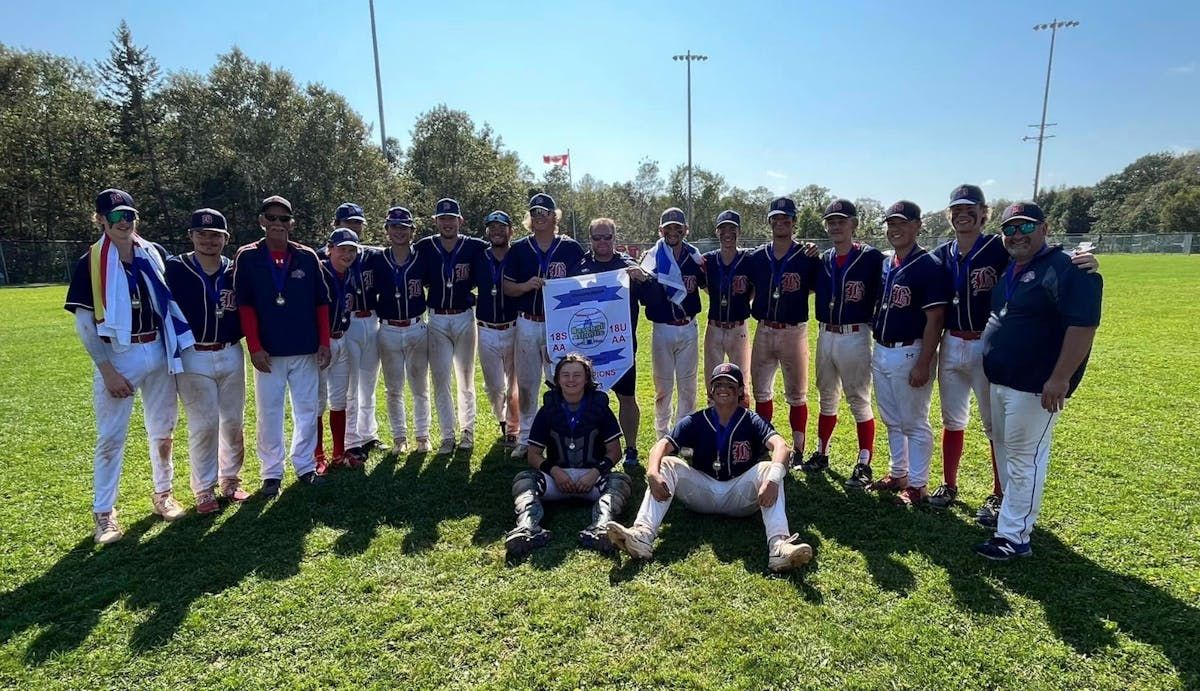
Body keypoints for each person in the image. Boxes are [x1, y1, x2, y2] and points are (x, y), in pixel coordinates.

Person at [930, 185, 1100, 523]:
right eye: (956, 209)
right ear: (948, 214)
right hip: (952, 341)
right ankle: (949, 484)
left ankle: (999, 494)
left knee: (995, 427)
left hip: (984, 343)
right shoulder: (940, 253)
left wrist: (1085, 261)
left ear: (983, 213)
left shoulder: (998, 248)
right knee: (953, 419)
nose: (963, 214)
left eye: (971, 208)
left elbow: (1043, 258)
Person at [65, 188, 194, 544]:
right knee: (111, 437)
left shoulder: (153, 254)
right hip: (119, 355)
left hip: (157, 347)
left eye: (130, 216)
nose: (125, 223)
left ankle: (163, 494)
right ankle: (104, 513)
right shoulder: (89, 262)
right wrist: (107, 370)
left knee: (164, 430)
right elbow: (84, 324)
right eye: (117, 217)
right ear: (101, 220)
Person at [975, 202, 1102, 560]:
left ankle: (1015, 538)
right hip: (1001, 380)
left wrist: (1060, 378)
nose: (1017, 235)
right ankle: (1009, 519)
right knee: (1005, 452)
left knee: (1024, 459)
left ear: (1044, 229)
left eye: (1025, 227)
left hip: (1034, 385)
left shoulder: (1068, 267)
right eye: (1010, 229)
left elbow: (1083, 326)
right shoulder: (1012, 268)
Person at [606, 363, 813, 573]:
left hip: (739, 493)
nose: (723, 388)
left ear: (741, 390)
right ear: (710, 391)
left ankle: (779, 547)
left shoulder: (751, 419)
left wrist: (772, 481)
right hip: (702, 491)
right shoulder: (696, 420)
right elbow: (661, 446)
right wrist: (651, 472)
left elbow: (781, 447)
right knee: (666, 463)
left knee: (770, 469)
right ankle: (642, 535)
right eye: (718, 384)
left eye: (730, 384)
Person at [233, 195, 330, 497]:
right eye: (271, 218)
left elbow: (321, 303)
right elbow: (245, 306)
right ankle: (271, 473)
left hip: (304, 349)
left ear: (292, 223)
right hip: (269, 353)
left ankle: (304, 466)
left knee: (307, 409)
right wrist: (254, 346)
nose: (278, 224)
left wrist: (324, 342)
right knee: (269, 413)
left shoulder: (306, 256)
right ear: (262, 220)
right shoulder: (248, 257)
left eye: (283, 219)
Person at [504, 353, 633, 558]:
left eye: (577, 375)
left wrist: (594, 473)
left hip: (592, 478)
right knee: (525, 480)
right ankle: (527, 527)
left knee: (620, 482)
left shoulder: (599, 407)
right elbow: (533, 455)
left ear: (586, 379)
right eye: (565, 375)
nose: (571, 380)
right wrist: (555, 472)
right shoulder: (548, 409)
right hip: (558, 478)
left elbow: (614, 451)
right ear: (557, 379)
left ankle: (601, 528)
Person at [165, 208, 249, 514]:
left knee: (233, 421)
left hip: (229, 349)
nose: (209, 240)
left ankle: (231, 480)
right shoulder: (175, 268)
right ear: (191, 236)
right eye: (202, 234)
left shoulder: (234, 269)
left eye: (216, 235)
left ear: (225, 238)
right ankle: (203, 489)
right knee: (204, 424)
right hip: (193, 352)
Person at [800, 199, 883, 491]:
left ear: (854, 224)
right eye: (831, 221)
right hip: (826, 333)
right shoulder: (822, 259)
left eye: (841, 221)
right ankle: (822, 454)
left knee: (859, 400)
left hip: (855, 334)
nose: (836, 226)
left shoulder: (871, 258)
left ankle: (864, 463)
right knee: (826, 397)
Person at [868, 200, 947, 506]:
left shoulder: (928, 266)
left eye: (902, 223)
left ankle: (917, 484)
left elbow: (936, 318)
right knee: (891, 419)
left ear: (917, 225)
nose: (895, 229)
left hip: (910, 350)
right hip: (883, 349)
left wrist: (924, 362)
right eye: (891, 224)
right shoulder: (889, 263)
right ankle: (898, 473)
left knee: (914, 422)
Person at [503, 193, 586, 459]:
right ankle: (526, 438)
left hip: (559, 325)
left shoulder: (570, 248)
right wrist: (526, 285)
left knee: (562, 380)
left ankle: (563, 433)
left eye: (545, 211)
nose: (540, 216)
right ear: (529, 217)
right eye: (535, 212)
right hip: (528, 321)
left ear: (554, 216)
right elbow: (506, 286)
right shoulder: (519, 249)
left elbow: (586, 283)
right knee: (527, 383)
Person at [745, 197, 819, 459]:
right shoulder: (756, 257)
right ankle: (766, 442)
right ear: (769, 221)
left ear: (794, 221)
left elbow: (813, 287)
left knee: (797, 394)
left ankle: (798, 448)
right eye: (776, 218)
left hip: (793, 330)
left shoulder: (807, 256)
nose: (781, 222)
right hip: (764, 328)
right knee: (761, 391)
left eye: (786, 218)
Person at [414, 198, 487, 455]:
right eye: (442, 218)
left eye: (452, 218)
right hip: (436, 318)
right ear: (436, 221)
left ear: (460, 221)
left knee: (466, 377)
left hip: (464, 316)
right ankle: (447, 435)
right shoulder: (425, 246)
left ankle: (467, 431)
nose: (447, 223)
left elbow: (502, 248)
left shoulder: (475, 246)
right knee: (441, 378)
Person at [578, 217, 652, 467]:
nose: (602, 242)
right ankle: (590, 447)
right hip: (587, 347)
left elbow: (653, 300)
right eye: (596, 238)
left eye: (607, 237)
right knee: (587, 398)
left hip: (620, 346)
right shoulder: (580, 266)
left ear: (614, 238)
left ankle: (630, 448)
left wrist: (643, 278)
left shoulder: (627, 266)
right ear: (590, 239)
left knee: (627, 397)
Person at [365, 206, 432, 453]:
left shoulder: (422, 258)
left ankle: (423, 436)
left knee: (420, 386)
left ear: (412, 231)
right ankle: (399, 438)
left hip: (416, 326)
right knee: (393, 388)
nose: (399, 231)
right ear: (386, 230)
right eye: (394, 226)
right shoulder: (377, 259)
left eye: (404, 227)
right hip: (389, 329)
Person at [639, 207, 706, 439]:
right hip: (663, 328)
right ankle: (661, 434)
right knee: (662, 387)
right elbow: (643, 295)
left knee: (688, 386)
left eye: (678, 228)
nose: (673, 232)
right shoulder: (650, 258)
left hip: (688, 326)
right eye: (668, 228)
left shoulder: (696, 258)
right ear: (661, 230)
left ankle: (683, 434)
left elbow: (709, 286)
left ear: (685, 230)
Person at [330, 202, 386, 461]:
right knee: (351, 384)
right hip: (348, 322)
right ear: (337, 225)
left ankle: (368, 433)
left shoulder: (372, 254)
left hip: (371, 319)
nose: (353, 227)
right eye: (348, 222)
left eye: (357, 223)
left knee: (369, 382)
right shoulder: (329, 255)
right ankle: (352, 441)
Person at [315, 228, 361, 473]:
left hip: (341, 337)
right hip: (321, 343)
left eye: (352, 249)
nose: (347, 254)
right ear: (329, 248)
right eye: (342, 248)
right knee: (318, 400)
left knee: (339, 399)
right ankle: (318, 455)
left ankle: (339, 453)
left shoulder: (350, 273)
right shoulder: (319, 271)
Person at [474, 210, 521, 448]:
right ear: (487, 231)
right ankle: (501, 418)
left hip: (514, 325)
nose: (497, 231)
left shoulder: (518, 255)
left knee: (514, 383)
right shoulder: (479, 257)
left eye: (502, 227)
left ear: (510, 230)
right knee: (494, 386)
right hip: (486, 328)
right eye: (492, 227)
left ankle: (513, 429)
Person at [700, 209, 755, 405]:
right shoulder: (708, 260)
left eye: (732, 228)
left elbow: (754, 288)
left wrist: (741, 300)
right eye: (723, 228)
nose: (727, 233)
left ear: (739, 231)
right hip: (714, 326)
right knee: (711, 382)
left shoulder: (749, 260)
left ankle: (741, 426)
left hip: (738, 327)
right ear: (717, 232)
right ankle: (714, 427)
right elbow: (704, 286)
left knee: (741, 382)